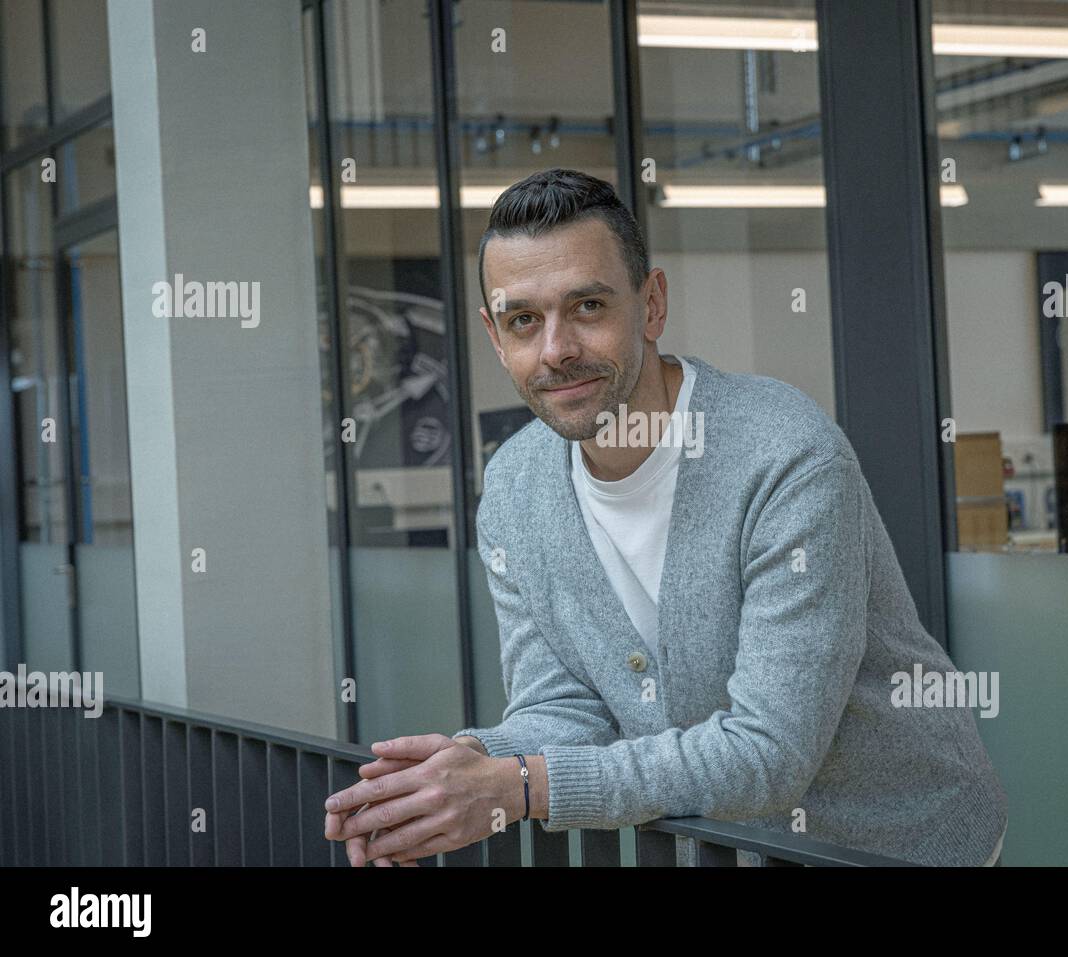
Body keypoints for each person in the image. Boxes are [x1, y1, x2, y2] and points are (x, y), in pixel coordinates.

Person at [323, 167, 1008, 867]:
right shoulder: (514, 487)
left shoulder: (783, 456)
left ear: (651, 305)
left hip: (903, 843)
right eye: (523, 319)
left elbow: (768, 753)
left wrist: (519, 785)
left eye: (588, 306)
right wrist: (467, 763)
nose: (556, 350)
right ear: (495, 336)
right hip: (746, 845)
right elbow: (565, 707)